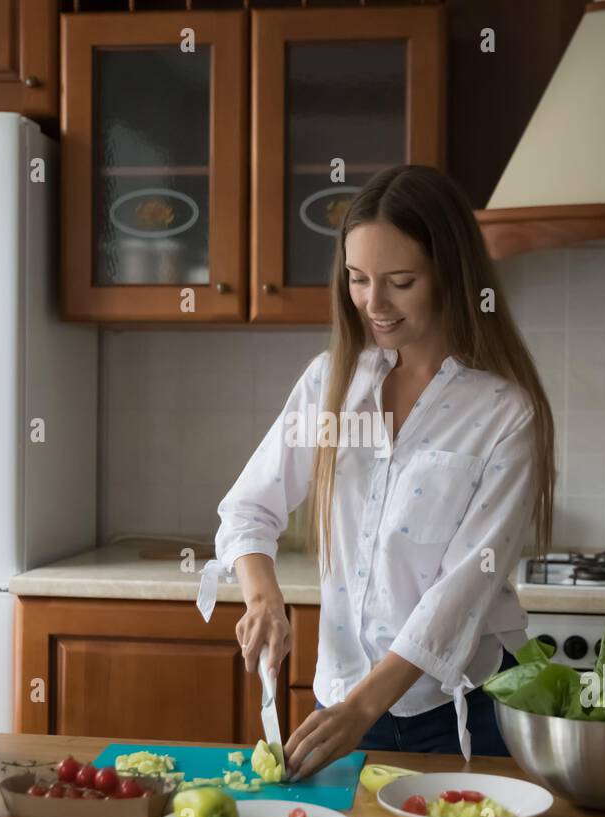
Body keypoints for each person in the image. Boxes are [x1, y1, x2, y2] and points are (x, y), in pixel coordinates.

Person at [195, 164, 556, 780]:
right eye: (358, 280)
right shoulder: (329, 382)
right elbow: (250, 509)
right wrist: (264, 597)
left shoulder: (502, 413)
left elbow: (458, 594)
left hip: (458, 716)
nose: (373, 303)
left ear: (451, 274)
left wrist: (361, 707)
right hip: (338, 705)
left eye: (401, 281)